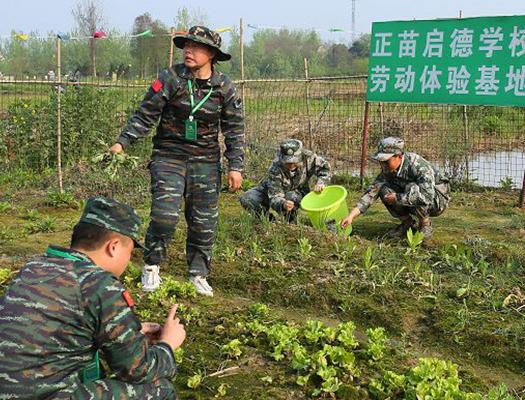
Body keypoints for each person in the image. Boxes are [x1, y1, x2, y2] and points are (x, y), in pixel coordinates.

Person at [0, 197, 185, 399]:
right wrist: (168, 344)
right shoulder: (100, 284)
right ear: (113, 246)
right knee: (161, 390)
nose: (128, 261)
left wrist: (132, 331)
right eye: (130, 252)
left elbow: (54, 328)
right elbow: (137, 370)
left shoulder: (33, 269)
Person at [109, 26, 245, 296]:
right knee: (164, 215)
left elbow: (234, 129)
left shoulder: (224, 87)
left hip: (206, 161)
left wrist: (236, 166)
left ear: (212, 54)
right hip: (168, 157)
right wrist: (123, 141)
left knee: (204, 221)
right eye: (186, 45)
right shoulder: (170, 78)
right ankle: (151, 266)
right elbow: (145, 114)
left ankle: (198, 273)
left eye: (196, 47)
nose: (189, 51)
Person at [341, 137, 450, 239]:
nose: (382, 165)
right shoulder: (388, 171)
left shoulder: (418, 166)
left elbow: (427, 197)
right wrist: (351, 216)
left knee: (412, 188)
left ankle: (425, 224)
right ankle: (408, 224)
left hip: (437, 200)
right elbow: (372, 193)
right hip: (413, 194)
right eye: (381, 161)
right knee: (384, 190)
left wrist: (397, 197)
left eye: (386, 161)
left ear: (399, 156)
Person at [240, 139, 330, 222]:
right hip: (273, 192)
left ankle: (290, 220)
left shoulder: (309, 158)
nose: (291, 165)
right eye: (287, 162)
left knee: (290, 196)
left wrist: (321, 183)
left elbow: (325, 168)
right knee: (247, 198)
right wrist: (283, 204)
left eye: (294, 162)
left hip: (297, 192)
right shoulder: (275, 168)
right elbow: (275, 196)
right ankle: (268, 221)